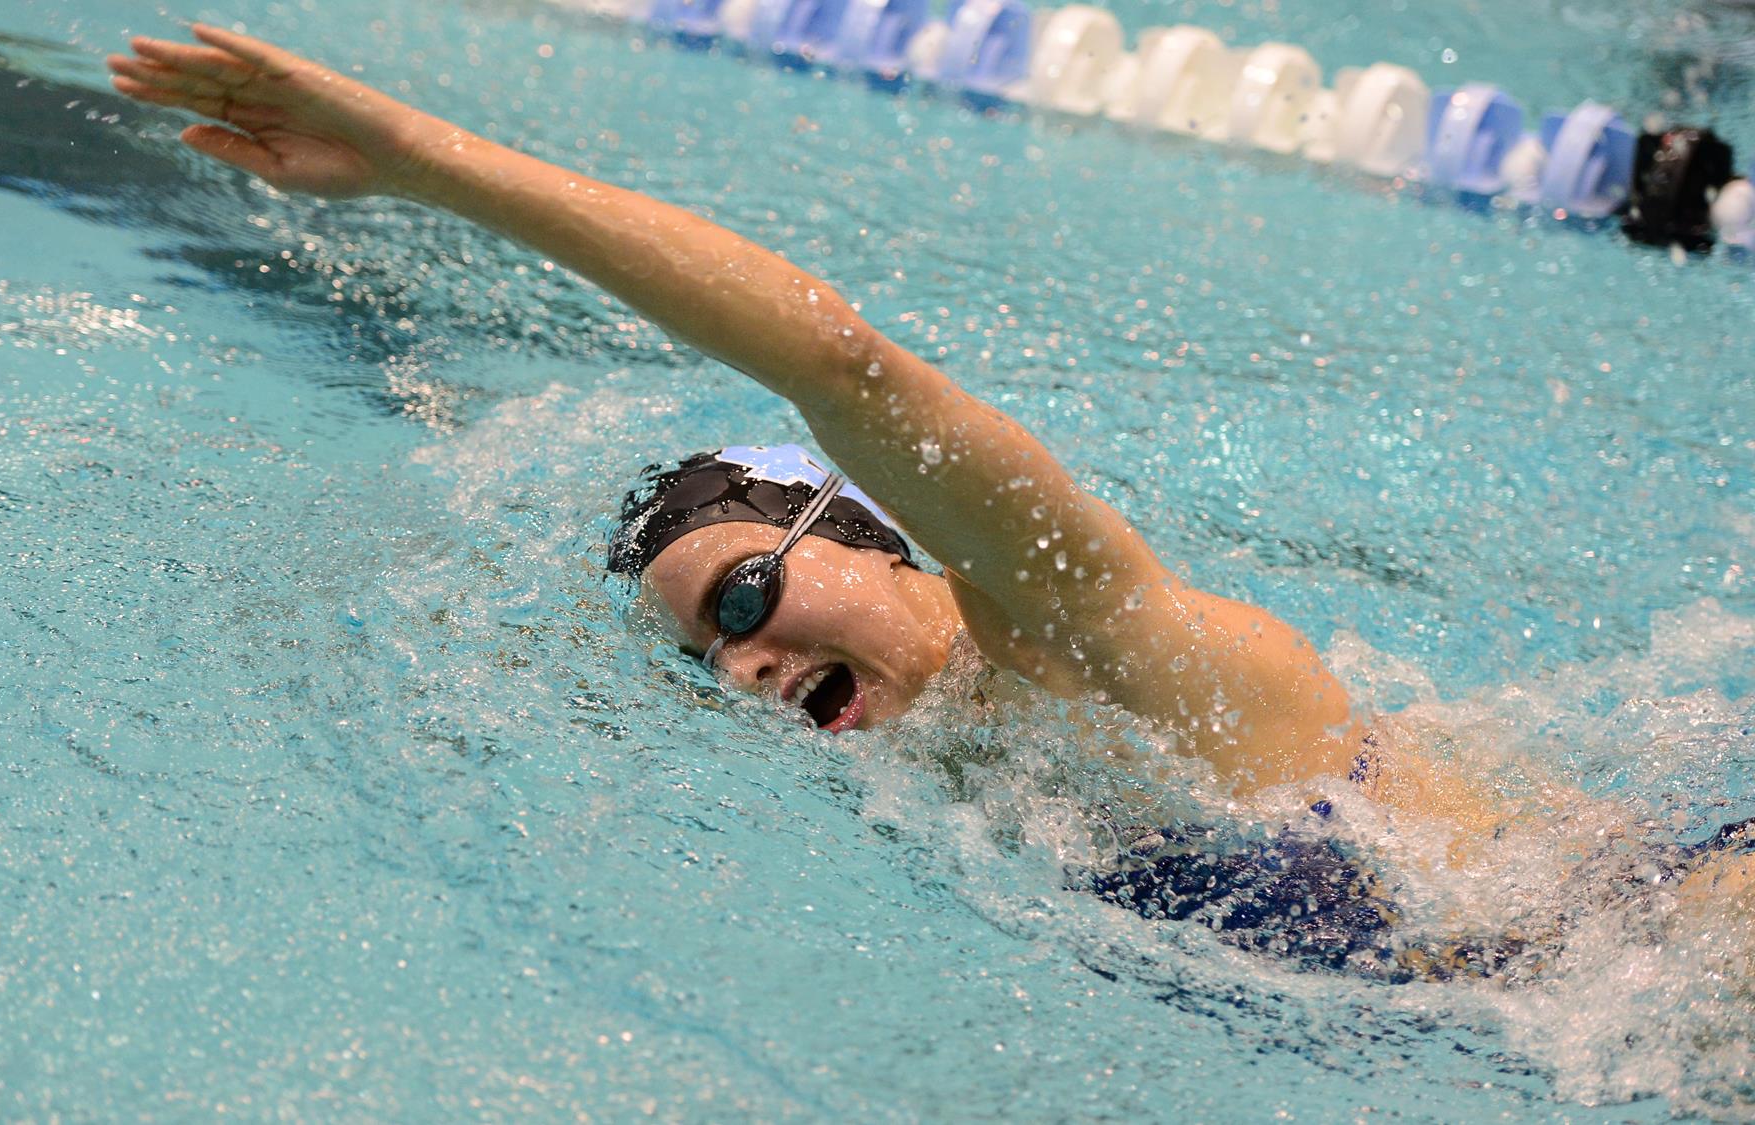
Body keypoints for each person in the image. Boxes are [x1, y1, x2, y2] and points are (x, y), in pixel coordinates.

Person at [106, 26, 1754, 979]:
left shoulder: (1075, 636)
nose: (741, 664)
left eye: (741, 599)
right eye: (707, 659)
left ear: (872, 530)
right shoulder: (976, 781)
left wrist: (417, 161)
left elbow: (840, 361)